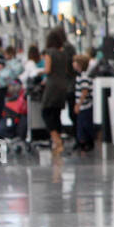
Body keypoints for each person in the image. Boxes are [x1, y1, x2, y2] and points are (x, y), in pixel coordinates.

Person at [41, 29, 72, 158]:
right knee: (57, 113)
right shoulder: (64, 53)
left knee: (46, 112)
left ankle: (57, 140)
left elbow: (48, 70)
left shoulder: (49, 53)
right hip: (63, 86)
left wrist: (39, 72)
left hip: (52, 86)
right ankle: (57, 141)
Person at [71, 54, 96, 155]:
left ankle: (87, 142)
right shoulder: (81, 76)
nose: (73, 64)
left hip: (85, 106)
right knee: (81, 125)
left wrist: (78, 104)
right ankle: (83, 142)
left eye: (75, 62)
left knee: (85, 125)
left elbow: (84, 91)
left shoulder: (84, 77)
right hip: (83, 106)